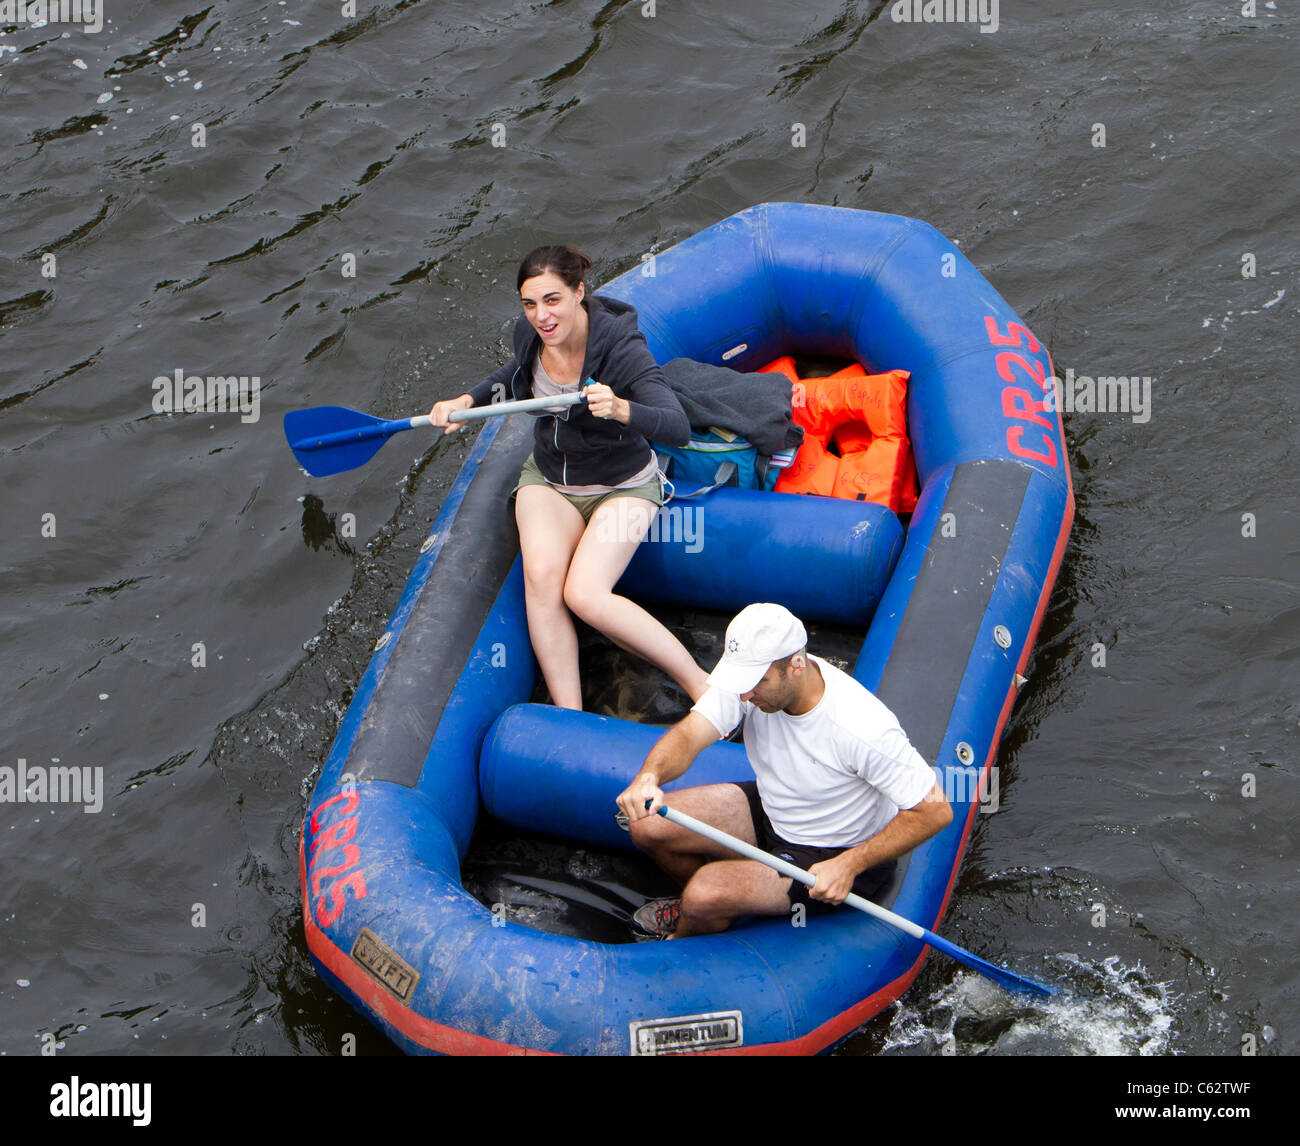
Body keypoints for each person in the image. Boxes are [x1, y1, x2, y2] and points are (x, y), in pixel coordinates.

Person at [429, 245, 710, 710]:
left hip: (622, 486)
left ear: (579, 292)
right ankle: (569, 712)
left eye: (553, 300)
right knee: (541, 576)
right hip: (550, 479)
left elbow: (676, 426)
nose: (542, 316)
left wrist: (622, 409)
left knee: (583, 594)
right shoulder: (530, 335)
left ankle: (698, 682)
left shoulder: (621, 349)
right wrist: (467, 400)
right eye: (530, 303)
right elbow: (513, 372)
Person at [616, 602, 952, 938]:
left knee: (706, 890)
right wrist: (650, 776)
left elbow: (935, 810)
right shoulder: (748, 685)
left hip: (833, 850)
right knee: (646, 825)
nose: (745, 694)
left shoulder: (861, 727)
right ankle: (704, 909)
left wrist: (850, 864)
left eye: (756, 682)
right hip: (775, 813)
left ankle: (688, 931)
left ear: (796, 665)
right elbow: (690, 734)